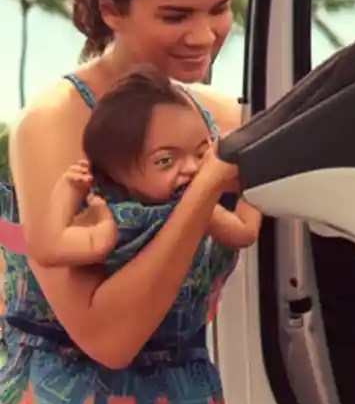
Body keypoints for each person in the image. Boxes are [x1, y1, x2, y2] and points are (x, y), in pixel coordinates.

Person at [0, 0, 249, 403]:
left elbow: (320, 119)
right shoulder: (57, 123)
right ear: (112, 8)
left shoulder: (221, 117)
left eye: (219, 9)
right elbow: (108, 340)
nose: (204, 36)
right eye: (175, 16)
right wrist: (206, 186)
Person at [32, 64, 260, 270]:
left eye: (201, 153)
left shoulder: (196, 203)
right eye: (165, 161)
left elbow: (244, 231)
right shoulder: (114, 219)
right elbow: (48, 251)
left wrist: (244, 166)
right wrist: (68, 191)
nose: (192, 167)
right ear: (116, 173)